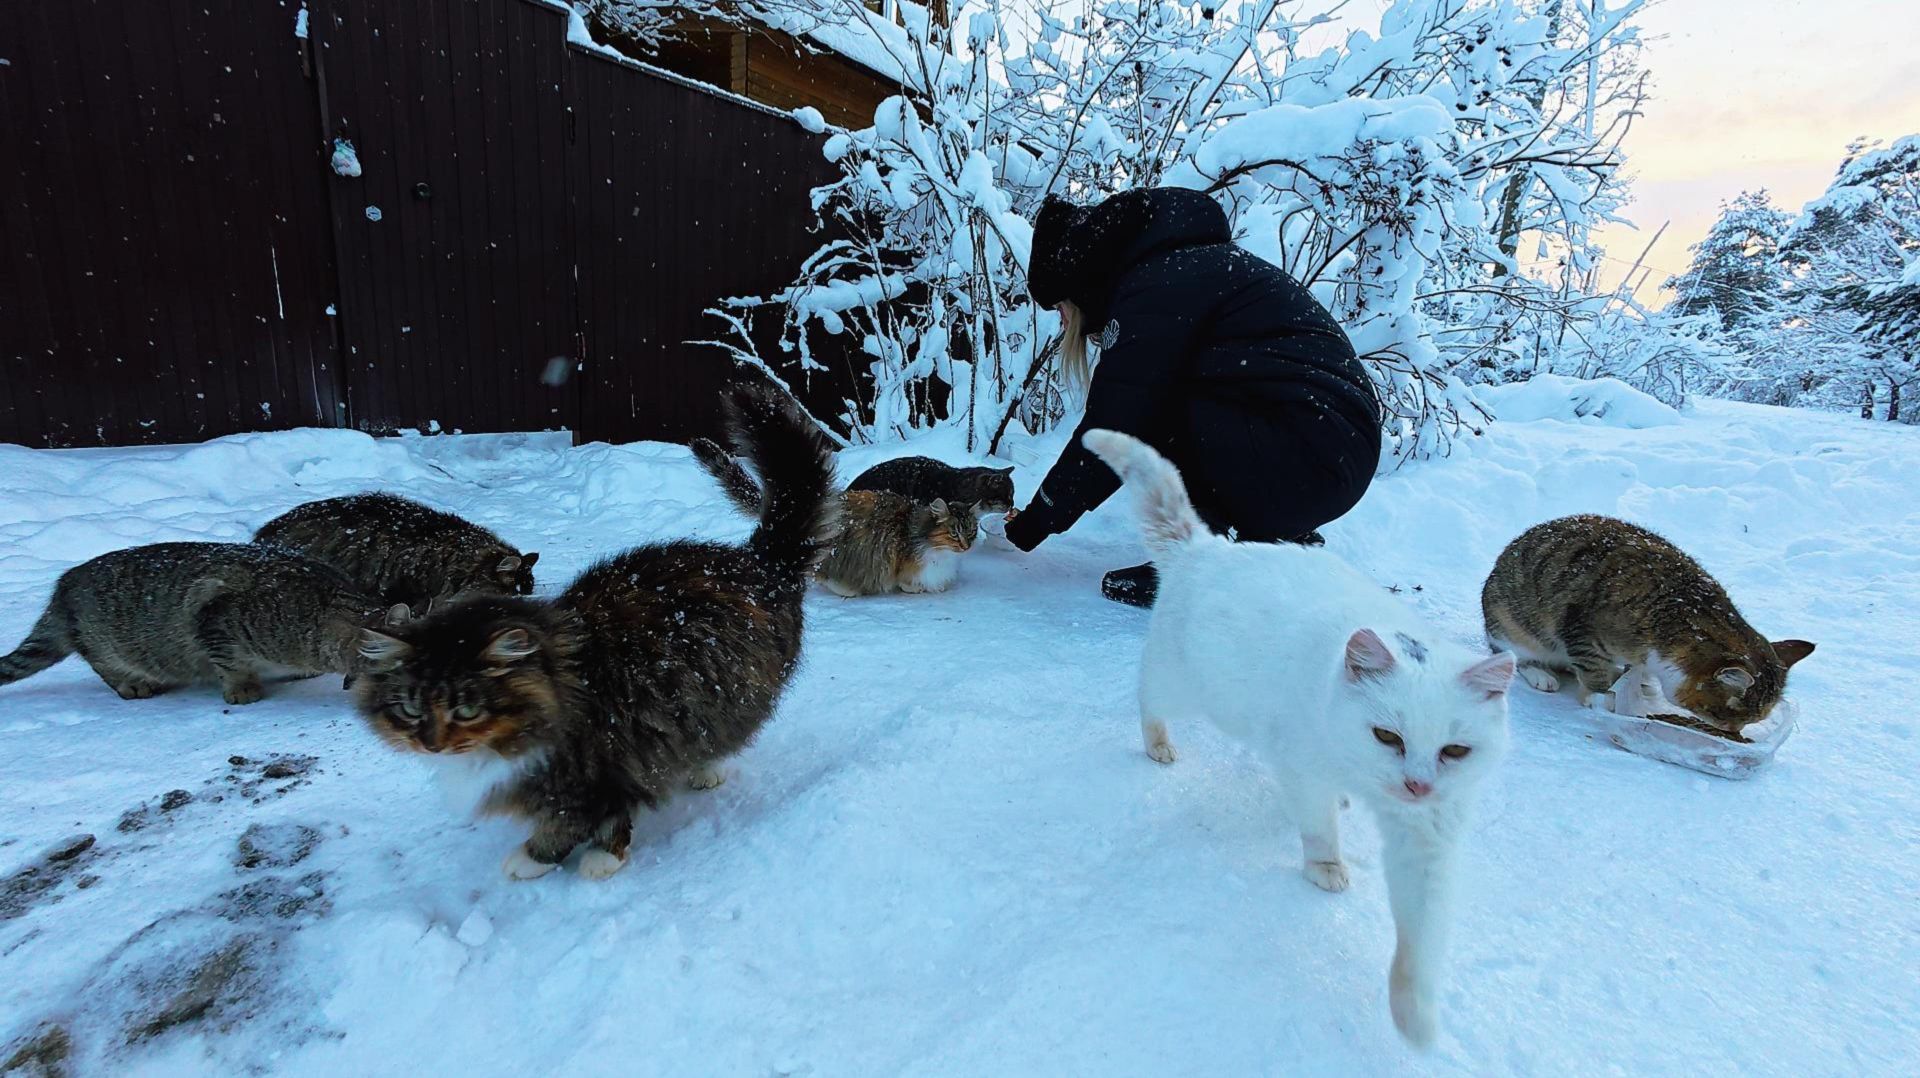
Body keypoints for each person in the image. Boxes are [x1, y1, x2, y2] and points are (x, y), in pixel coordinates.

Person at [1001, 187, 1382, 607]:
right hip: (1330, 453)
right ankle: (1262, 538)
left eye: (1060, 307)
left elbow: (1115, 425)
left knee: (1155, 413)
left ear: (1079, 284)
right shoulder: (1187, 268)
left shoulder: (1159, 284)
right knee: (1172, 400)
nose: (1062, 321)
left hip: (1308, 455)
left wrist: (1037, 520)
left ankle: (1197, 560)